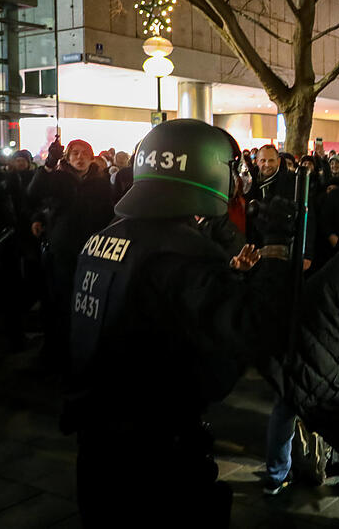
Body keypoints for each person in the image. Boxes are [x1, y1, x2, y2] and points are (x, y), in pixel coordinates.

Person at [62, 119, 281, 528]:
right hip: (159, 456)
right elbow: (223, 364)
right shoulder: (188, 253)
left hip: (96, 443)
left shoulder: (103, 239)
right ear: (206, 170)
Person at [27, 138, 114, 372]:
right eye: (74, 153)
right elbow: (34, 195)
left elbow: (109, 214)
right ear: (67, 157)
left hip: (92, 251)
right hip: (62, 249)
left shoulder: (102, 183)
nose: (79, 157)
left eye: (84, 152)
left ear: (92, 156)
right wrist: (47, 165)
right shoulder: (56, 178)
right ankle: (56, 351)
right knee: (59, 300)